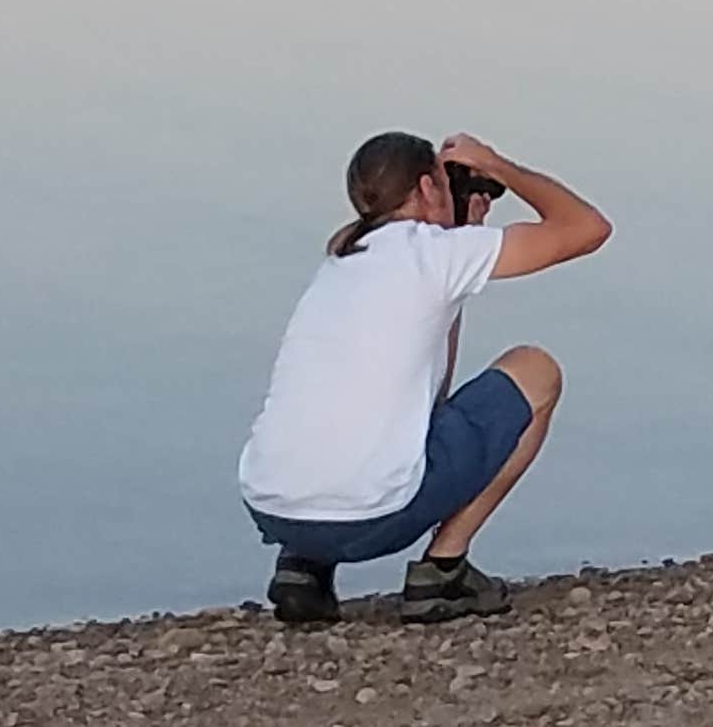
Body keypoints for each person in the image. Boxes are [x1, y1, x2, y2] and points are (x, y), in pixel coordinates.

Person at [237, 129, 611, 627]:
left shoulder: (342, 254)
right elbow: (587, 228)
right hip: (372, 517)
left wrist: (458, 234)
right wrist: (497, 166)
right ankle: (443, 569)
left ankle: (304, 570)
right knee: (535, 371)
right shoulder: (435, 255)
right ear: (427, 188)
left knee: (349, 403)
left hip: (273, 508)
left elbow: (428, 386)